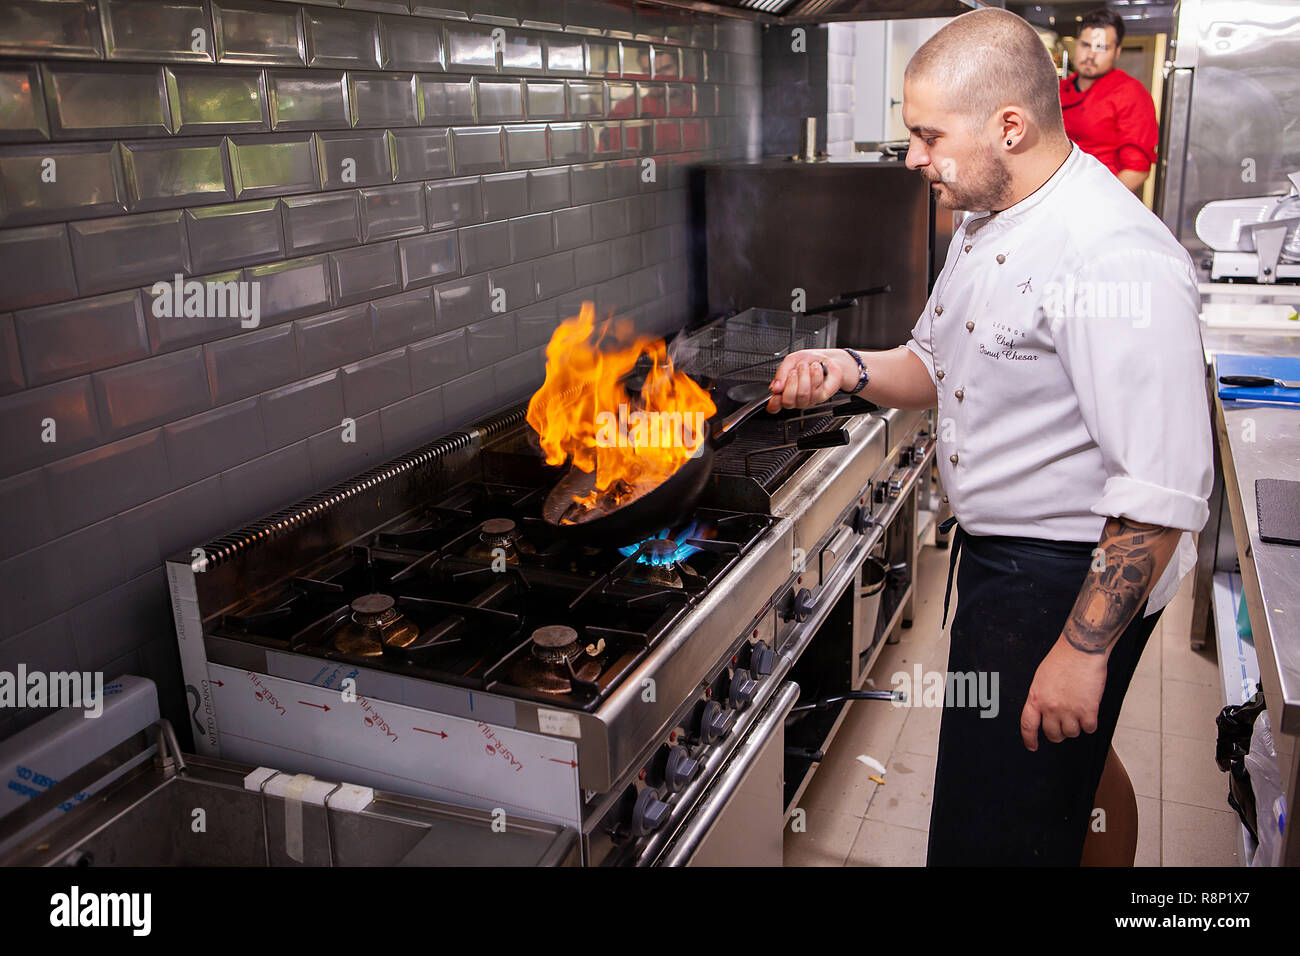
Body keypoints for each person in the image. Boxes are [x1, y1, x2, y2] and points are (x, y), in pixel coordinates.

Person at [766, 8, 1211, 866]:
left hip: (1063, 574)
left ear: (1009, 126)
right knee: (1056, 788)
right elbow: (935, 362)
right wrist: (847, 367)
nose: (912, 157)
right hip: (1001, 560)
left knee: (993, 829)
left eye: (928, 135)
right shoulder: (985, 220)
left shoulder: (1116, 259)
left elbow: (1159, 494)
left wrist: (1082, 653)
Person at [1059, 7, 1158, 194]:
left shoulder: (1131, 93)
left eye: (1101, 48)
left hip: (1099, 197)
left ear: (1117, 52)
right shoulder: (1059, 89)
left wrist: (1098, 202)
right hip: (1055, 195)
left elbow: (1137, 169)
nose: (1090, 55)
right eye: (1086, 45)